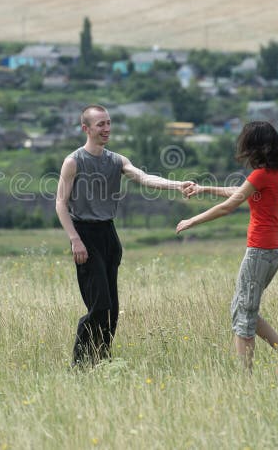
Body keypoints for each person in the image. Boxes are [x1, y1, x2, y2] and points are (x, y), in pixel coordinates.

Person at [56, 104, 194, 367]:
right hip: (84, 235)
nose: (106, 129)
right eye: (101, 124)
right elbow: (60, 203)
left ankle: (103, 360)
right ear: (86, 128)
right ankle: (80, 364)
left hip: (108, 234)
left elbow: (143, 178)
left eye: (108, 123)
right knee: (98, 307)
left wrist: (177, 185)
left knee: (112, 311)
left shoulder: (116, 160)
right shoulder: (73, 162)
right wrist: (75, 239)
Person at [176, 121, 278, 374]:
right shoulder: (277, 173)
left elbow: (229, 206)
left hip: (260, 251)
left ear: (253, 147)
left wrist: (192, 220)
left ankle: (244, 380)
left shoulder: (261, 175)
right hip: (273, 250)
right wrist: (205, 188)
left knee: (243, 316)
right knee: (245, 310)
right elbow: (240, 192)